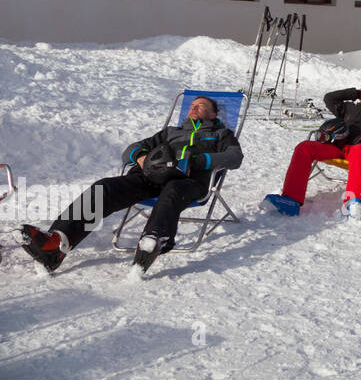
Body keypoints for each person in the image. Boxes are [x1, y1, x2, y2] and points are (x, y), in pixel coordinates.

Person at [20, 95, 243, 275]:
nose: (194, 108)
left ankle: (154, 239)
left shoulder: (221, 134)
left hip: (189, 181)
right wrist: (140, 158)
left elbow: (235, 157)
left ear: (213, 114)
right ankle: (56, 244)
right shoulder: (170, 133)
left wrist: (200, 161)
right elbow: (131, 148)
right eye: (192, 105)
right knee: (105, 187)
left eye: (201, 106)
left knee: (173, 191)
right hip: (151, 177)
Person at [264, 79, 361, 219]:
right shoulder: (349, 108)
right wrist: (354, 93)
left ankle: (355, 202)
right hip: (337, 146)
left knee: (360, 149)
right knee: (304, 147)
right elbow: (329, 98)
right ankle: (290, 200)